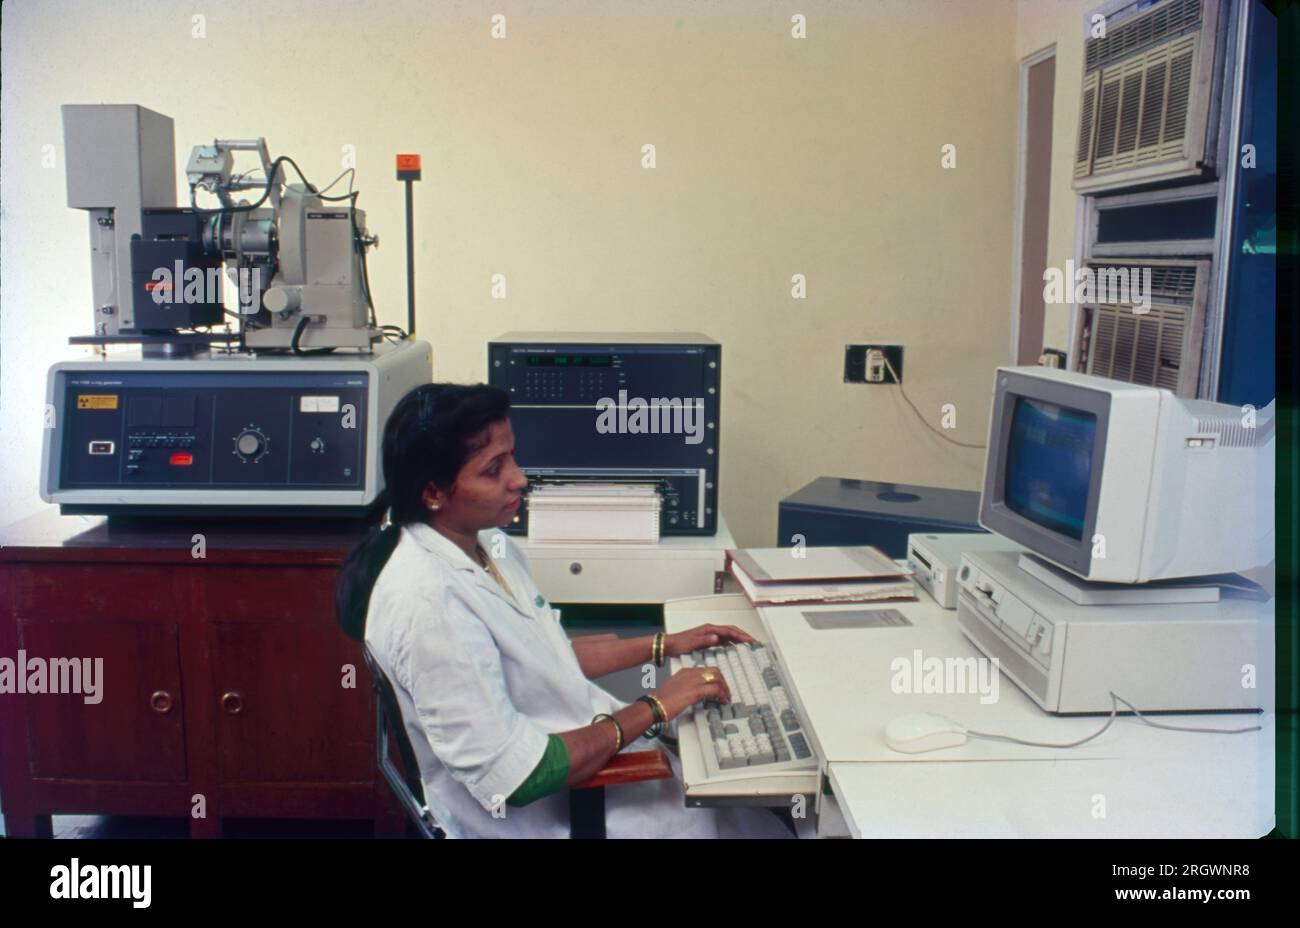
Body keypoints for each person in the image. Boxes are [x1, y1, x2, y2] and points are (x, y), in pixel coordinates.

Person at [336, 382, 792, 838]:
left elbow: (542, 657)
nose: (519, 478)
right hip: (562, 813)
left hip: (591, 767)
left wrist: (664, 645)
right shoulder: (427, 603)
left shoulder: (488, 543)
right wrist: (658, 705)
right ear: (433, 492)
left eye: (512, 456)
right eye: (494, 469)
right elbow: (518, 776)